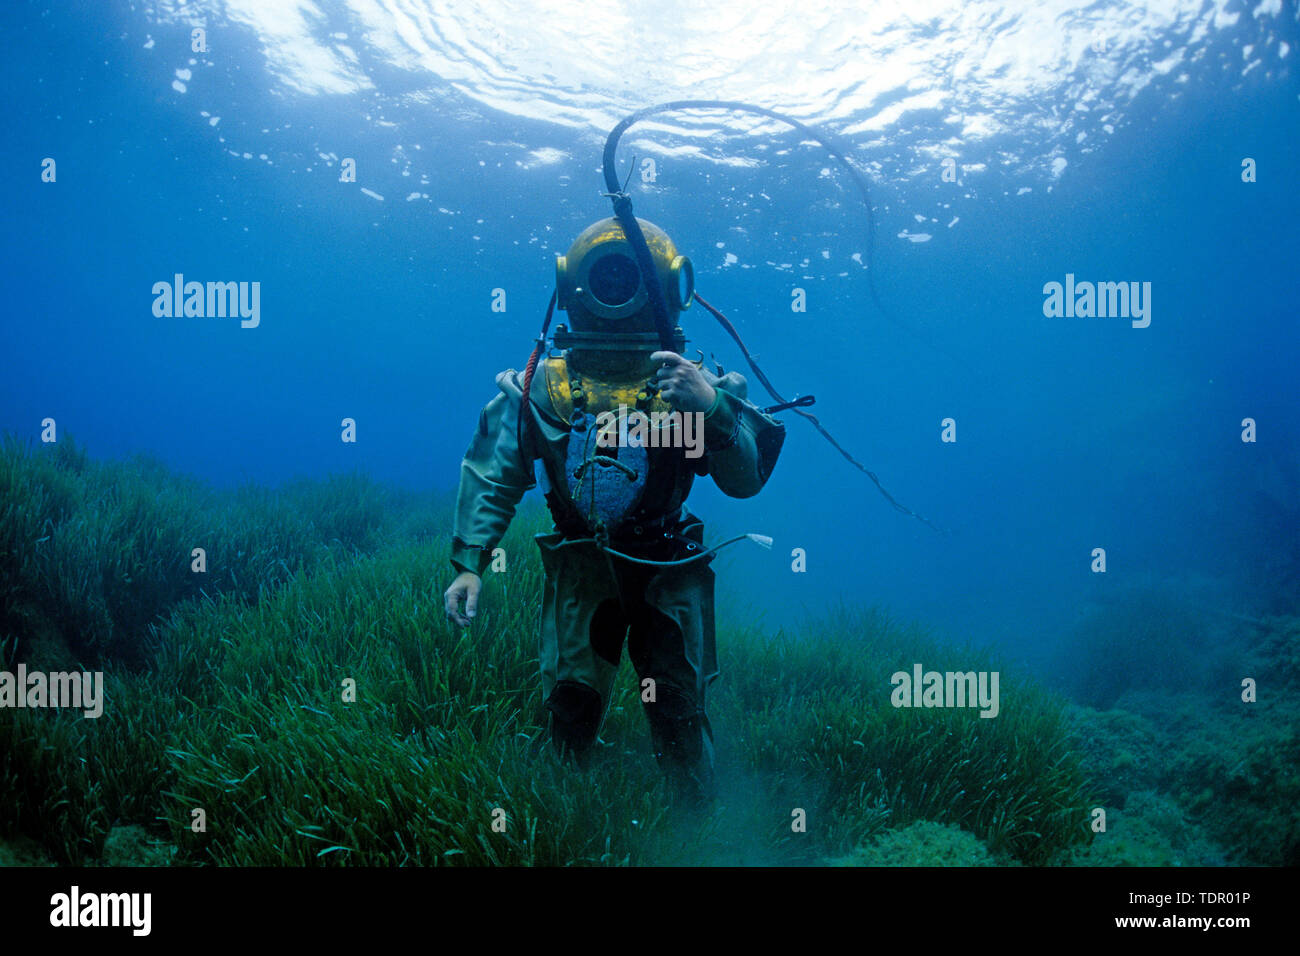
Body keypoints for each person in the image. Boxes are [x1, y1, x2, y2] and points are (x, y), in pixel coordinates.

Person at [444, 217, 784, 803]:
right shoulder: (540, 391)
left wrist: (714, 408)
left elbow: (745, 480)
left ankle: (692, 824)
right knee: (571, 703)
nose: (619, 291)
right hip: (584, 569)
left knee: (676, 707)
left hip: (666, 568)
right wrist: (470, 562)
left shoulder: (690, 386)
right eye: (609, 277)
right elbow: (495, 473)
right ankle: (566, 813)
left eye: (631, 278)